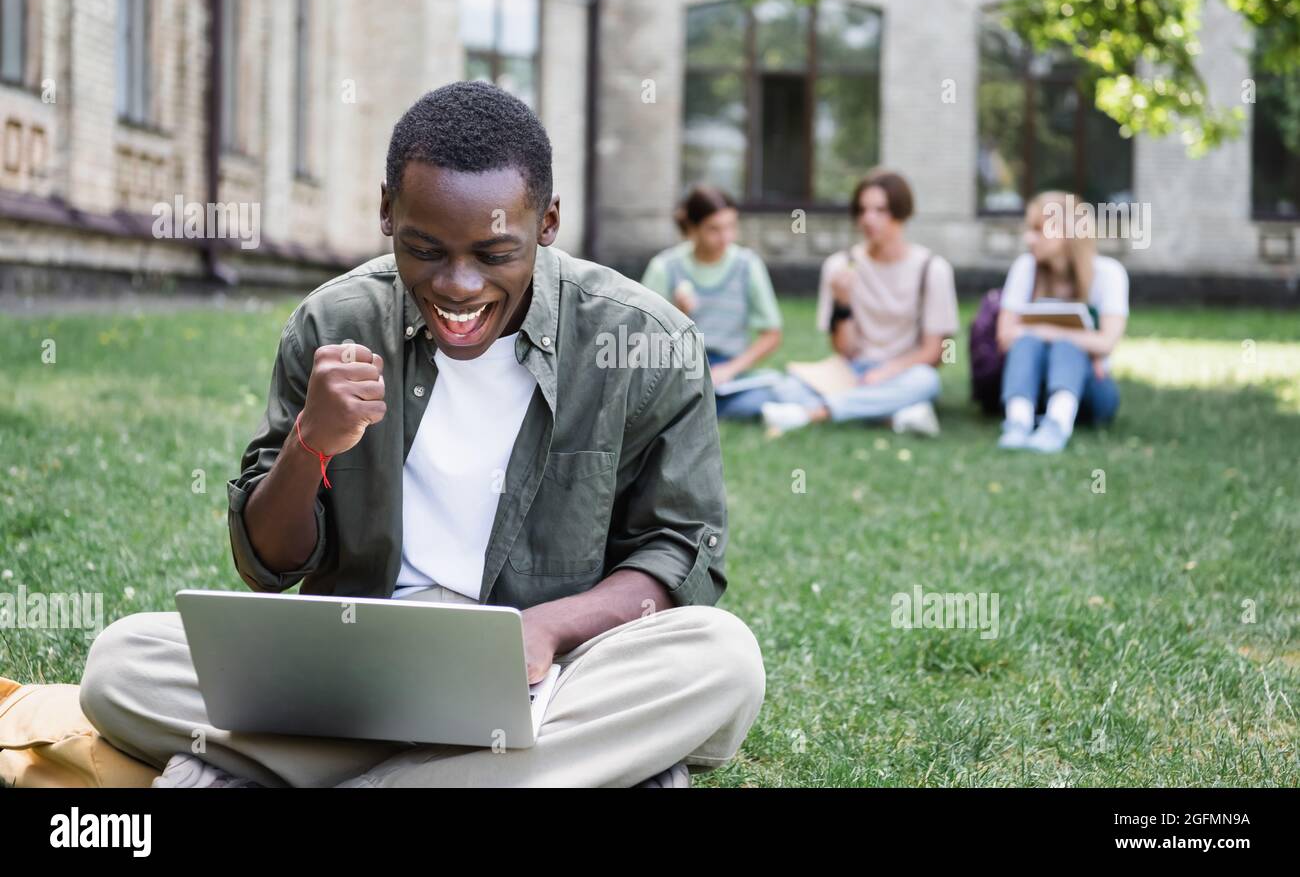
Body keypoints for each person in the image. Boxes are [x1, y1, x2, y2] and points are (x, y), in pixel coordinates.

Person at [7, 82, 765, 789]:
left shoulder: (643, 339)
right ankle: (522, 771)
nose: (457, 287)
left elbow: (678, 550)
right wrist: (311, 442)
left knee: (722, 662)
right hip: (355, 667)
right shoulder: (334, 323)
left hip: (555, 668)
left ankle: (322, 771)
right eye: (425, 249)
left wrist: (544, 630)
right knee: (122, 663)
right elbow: (267, 564)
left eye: (494, 254)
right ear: (386, 213)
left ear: (549, 222)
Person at [759, 169, 959, 436]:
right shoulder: (839, 266)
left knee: (927, 381)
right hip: (852, 369)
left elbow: (934, 353)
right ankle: (894, 416)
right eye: (862, 210)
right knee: (788, 386)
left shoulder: (932, 269)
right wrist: (843, 304)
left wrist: (886, 372)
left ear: (903, 213)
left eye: (880, 210)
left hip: (903, 371)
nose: (868, 219)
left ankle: (816, 413)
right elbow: (845, 349)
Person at [996, 190, 1128, 453]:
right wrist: (1038, 334)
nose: (1029, 238)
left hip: (1091, 391)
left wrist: (1046, 330)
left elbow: (1106, 343)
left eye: (1039, 230)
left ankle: (1057, 423)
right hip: (1035, 384)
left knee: (1067, 345)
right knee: (1027, 342)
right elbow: (1005, 337)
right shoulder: (1025, 269)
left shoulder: (1108, 274)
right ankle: (1018, 422)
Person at [640, 186, 784, 419]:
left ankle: (696, 408)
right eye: (714, 229)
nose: (726, 237)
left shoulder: (747, 265)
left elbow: (772, 334)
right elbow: (642, 340)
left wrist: (730, 369)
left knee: (771, 391)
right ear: (692, 228)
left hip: (728, 370)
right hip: (679, 367)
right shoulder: (665, 267)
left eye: (731, 226)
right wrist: (677, 314)